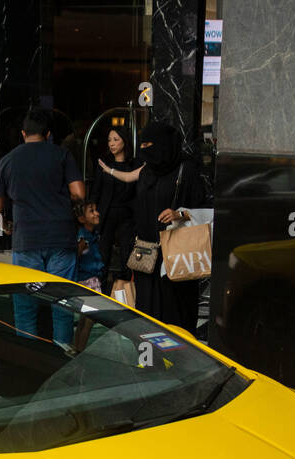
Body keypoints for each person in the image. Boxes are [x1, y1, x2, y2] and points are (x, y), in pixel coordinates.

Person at [0, 107, 87, 344]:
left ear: (23, 133)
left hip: (26, 241)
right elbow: (79, 193)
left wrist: (5, 227)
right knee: (62, 307)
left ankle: (29, 361)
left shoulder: (9, 160)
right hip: (61, 238)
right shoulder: (62, 155)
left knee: (25, 309)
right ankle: (62, 357)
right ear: (48, 133)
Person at [99, 122, 207, 332]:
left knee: (176, 313)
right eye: (143, 143)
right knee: (148, 316)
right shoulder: (147, 170)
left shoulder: (187, 170)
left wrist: (179, 214)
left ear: (163, 144)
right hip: (146, 255)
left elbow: (203, 207)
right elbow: (132, 191)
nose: (144, 148)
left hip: (175, 254)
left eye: (149, 144)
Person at [89, 127, 139, 289]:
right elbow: (96, 191)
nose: (111, 143)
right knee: (102, 256)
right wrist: (91, 213)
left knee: (127, 256)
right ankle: (100, 292)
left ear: (125, 141)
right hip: (106, 214)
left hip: (128, 216)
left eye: (116, 139)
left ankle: (124, 294)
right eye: (109, 140)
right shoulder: (104, 164)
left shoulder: (134, 165)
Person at [74, 201, 104, 291]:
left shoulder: (94, 235)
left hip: (93, 279)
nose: (97, 213)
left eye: (96, 210)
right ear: (82, 219)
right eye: (92, 211)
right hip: (85, 282)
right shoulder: (83, 239)